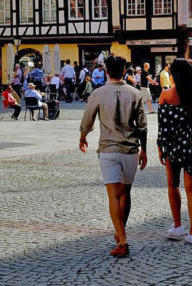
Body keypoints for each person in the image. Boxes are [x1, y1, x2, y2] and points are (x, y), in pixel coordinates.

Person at [79, 54, 148, 258]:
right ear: (125, 71)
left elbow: (87, 120)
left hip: (108, 150)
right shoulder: (136, 94)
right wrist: (144, 150)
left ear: (106, 72)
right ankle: (120, 234)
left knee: (113, 195)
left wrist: (83, 137)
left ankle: (122, 240)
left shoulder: (98, 94)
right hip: (130, 150)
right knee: (125, 193)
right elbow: (143, 126)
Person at [157, 58, 192, 246]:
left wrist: (160, 148)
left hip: (173, 145)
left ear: (173, 74)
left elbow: (162, 126)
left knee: (173, 186)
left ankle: (178, 225)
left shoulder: (165, 95)